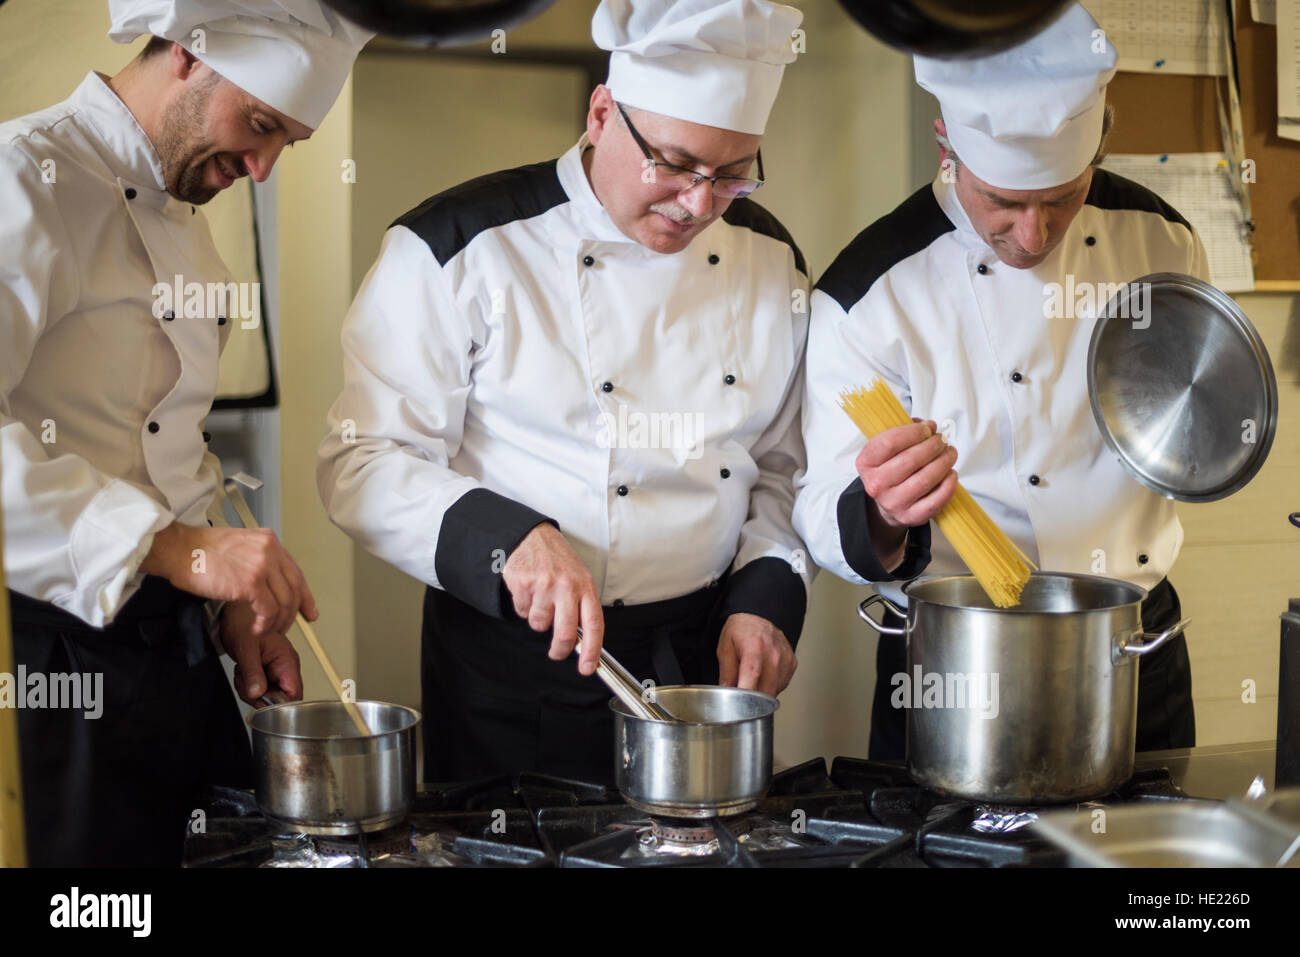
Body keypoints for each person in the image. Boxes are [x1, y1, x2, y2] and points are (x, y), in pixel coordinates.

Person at [317, 0, 811, 785]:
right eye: (675, 165)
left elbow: (782, 465)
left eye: (730, 175)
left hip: (697, 657)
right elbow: (362, 461)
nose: (697, 204)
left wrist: (767, 591)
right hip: (511, 669)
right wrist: (505, 536)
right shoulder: (458, 247)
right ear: (602, 112)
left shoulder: (769, 259)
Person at [0, 0, 371, 865]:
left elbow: (169, 450)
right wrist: (177, 551)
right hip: (52, 660)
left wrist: (229, 601)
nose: (264, 165)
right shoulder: (21, 180)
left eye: (288, 144)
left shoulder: (190, 230)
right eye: (261, 125)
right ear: (188, 56)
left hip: (172, 657)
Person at [793, 3, 1207, 761]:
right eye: (1005, 202)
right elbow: (821, 510)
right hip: (957, 659)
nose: (1033, 234)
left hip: (1134, 641)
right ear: (948, 145)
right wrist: (883, 513)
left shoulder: (1164, 241)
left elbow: (1190, 409)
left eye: (1060, 198)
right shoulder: (869, 291)